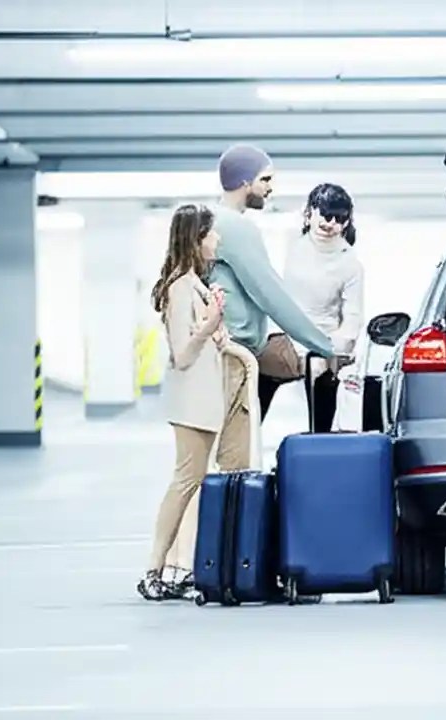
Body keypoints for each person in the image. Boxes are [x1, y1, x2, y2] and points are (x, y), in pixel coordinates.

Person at [205, 144, 337, 450]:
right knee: (235, 455)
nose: (270, 188)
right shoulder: (234, 226)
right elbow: (269, 294)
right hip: (234, 357)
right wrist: (324, 345)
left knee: (221, 452)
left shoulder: (213, 221)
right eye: (265, 180)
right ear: (243, 182)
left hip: (223, 352)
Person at [138, 204, 227, 601]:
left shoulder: (195, 285)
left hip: (204, 402)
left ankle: (172, 569)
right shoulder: (179, 287)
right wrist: (208, 325)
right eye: (212, 234)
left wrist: (215, 325)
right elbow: (182, 353)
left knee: (191, 483)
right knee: (184, 482)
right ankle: (153, 570)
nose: (217, 240)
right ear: (196, 239)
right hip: (191, 403)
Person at [267, 183, 365, 430]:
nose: (330, 222)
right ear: (309, 213)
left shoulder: (350, 264)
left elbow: (352, 318)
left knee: (320, 425)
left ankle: (319, 453)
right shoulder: (290, 243)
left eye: (338, 218)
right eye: (324, 214)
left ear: (346, 223)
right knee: (252, 393)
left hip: (323, 345)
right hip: (283, 342)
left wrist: (332, 350)